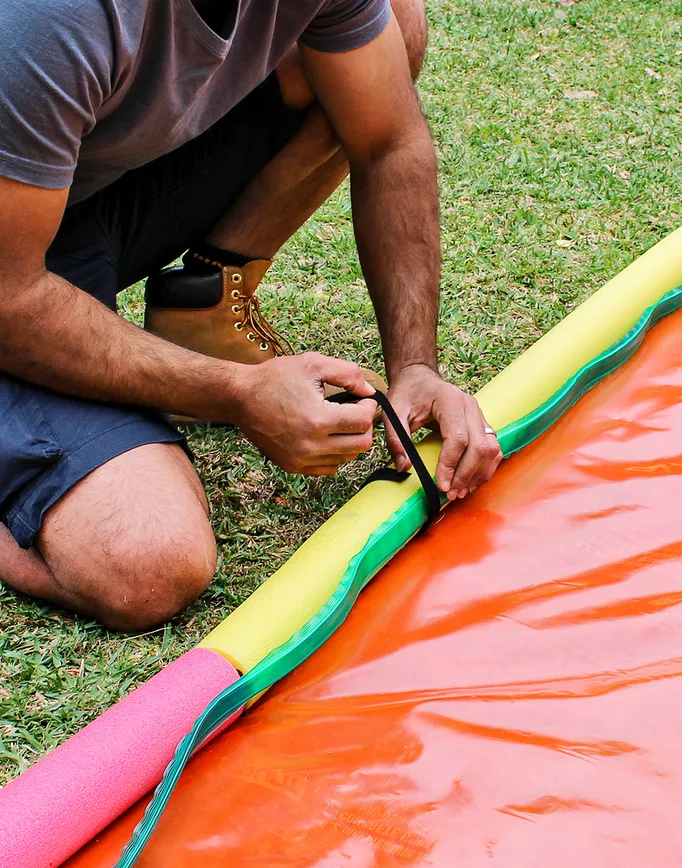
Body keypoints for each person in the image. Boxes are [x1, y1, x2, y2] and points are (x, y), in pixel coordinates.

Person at [0, 0, 502, 631]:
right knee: (149, 565)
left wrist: (417, 367)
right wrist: (237, 393)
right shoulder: (51, 19)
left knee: (389, 31)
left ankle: (199, 310)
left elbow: (387, 142)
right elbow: (9, 297)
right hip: (10, 274)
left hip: (66, 202)